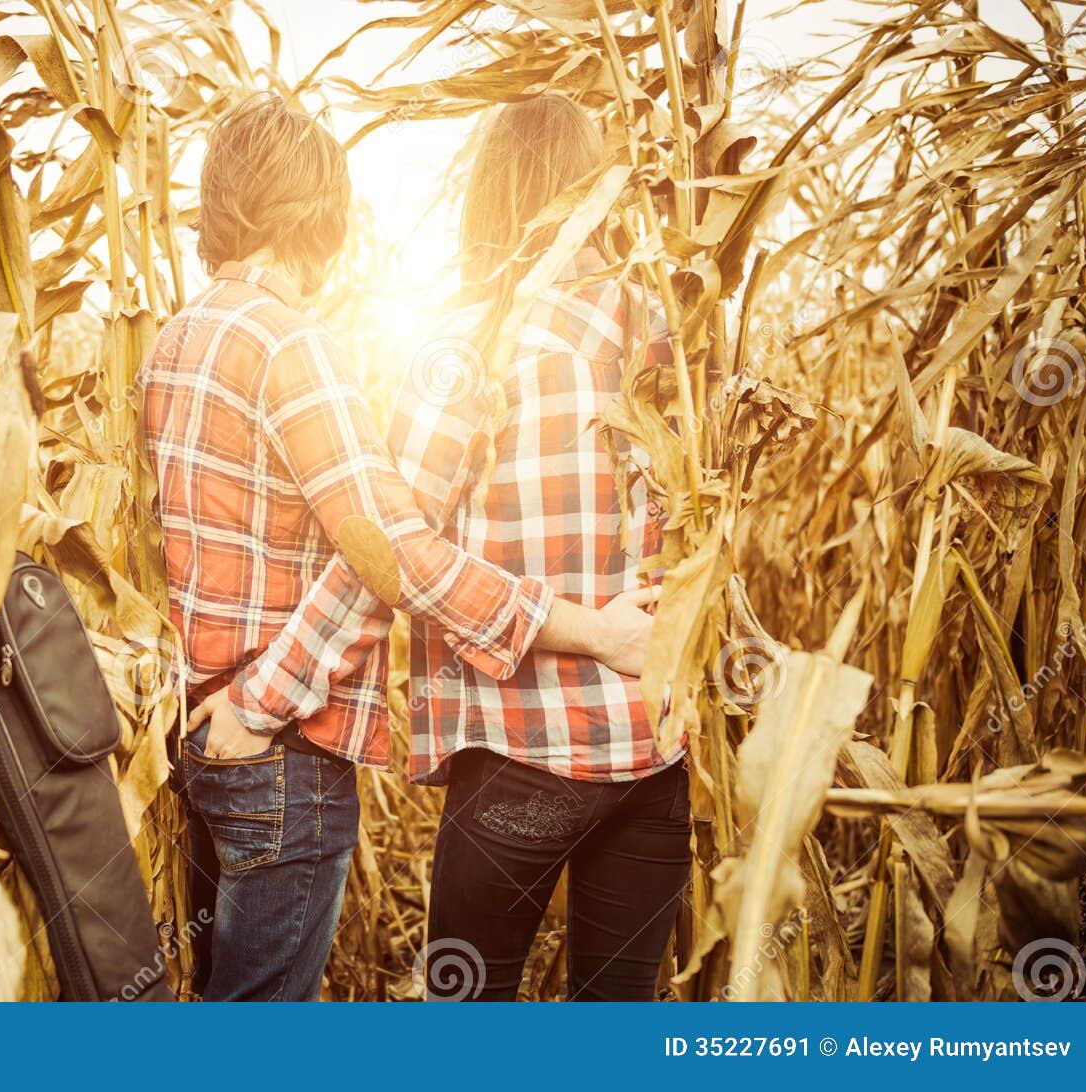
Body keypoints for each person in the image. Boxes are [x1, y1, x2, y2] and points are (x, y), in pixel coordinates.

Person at [139, 93, 658, 1001]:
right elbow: (396, 554)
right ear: (318, 219)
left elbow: (358, 551)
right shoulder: (294, 347)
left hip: (217, 734)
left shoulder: (170, 343)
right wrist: (602, 632)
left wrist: (236, 705)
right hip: (294, 745)